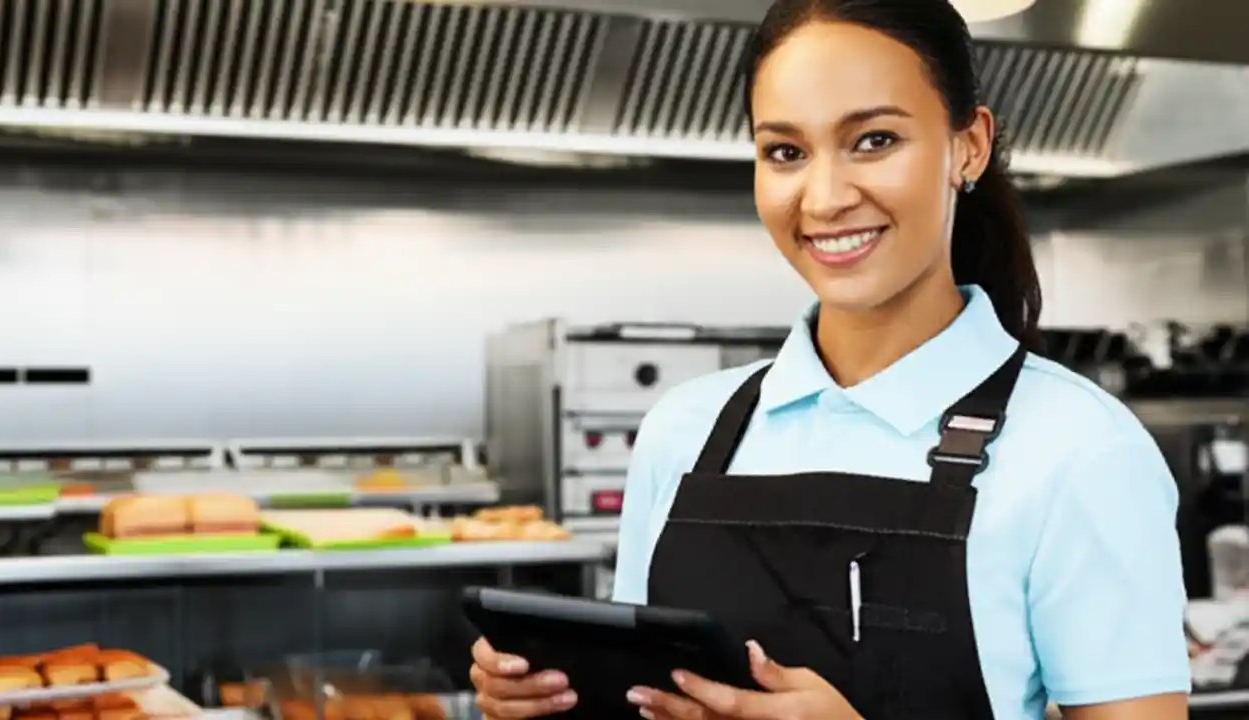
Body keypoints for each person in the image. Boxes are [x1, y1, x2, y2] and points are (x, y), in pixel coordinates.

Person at [469, 0, 1191, 717]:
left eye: (874, 140)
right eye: (785, 152)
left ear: (968, 146)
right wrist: (556, 703)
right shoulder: (685, 430)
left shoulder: (1081, 450)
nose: (824, 198)